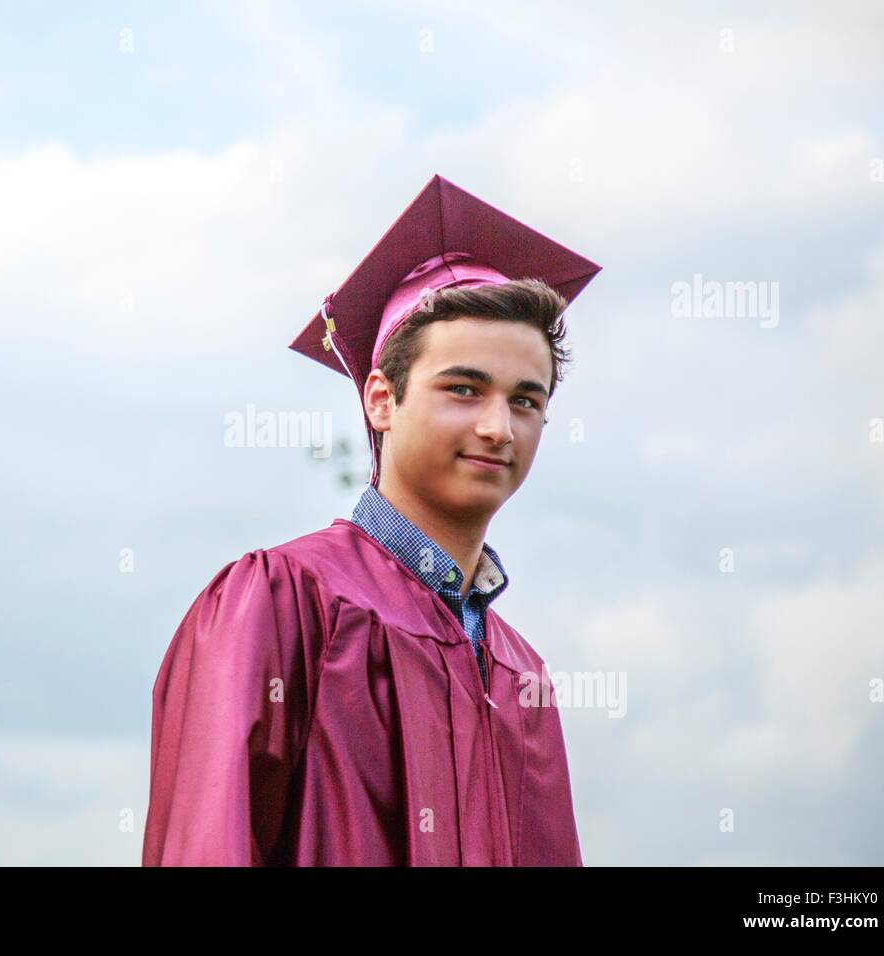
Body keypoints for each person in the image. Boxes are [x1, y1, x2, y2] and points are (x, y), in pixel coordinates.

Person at [142, 173, 601, 866]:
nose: (498, 427)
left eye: (525, 401)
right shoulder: (280, 601)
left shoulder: (520, 670)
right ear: (381, 399)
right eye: (463, 389)